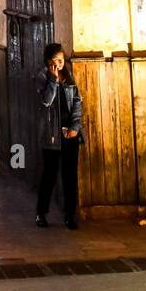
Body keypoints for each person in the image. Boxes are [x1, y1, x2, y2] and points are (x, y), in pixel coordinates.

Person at [35, 42, 83, 230]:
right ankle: (41, 213)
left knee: (70, 176)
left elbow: (78, 102)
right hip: (51, 135)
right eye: (55, 60)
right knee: (50, 175)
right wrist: (53, 81)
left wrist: (75, 127)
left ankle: (70, 215)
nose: (60, 63)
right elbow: (46, 101)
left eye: (61, 59)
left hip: (70, 134)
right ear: (48, 61)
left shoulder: (70, 75)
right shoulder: (41, 77)